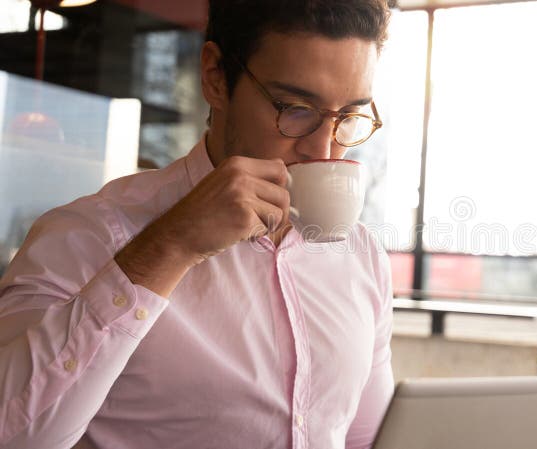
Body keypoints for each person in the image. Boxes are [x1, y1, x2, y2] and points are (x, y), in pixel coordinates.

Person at [0, 1, 396, 448]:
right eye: (296, 108)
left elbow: (371, 438)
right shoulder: (87, 235)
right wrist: (169, 248)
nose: (324, 150)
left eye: (350, 116)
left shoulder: (363, 258)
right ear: (215, 77)